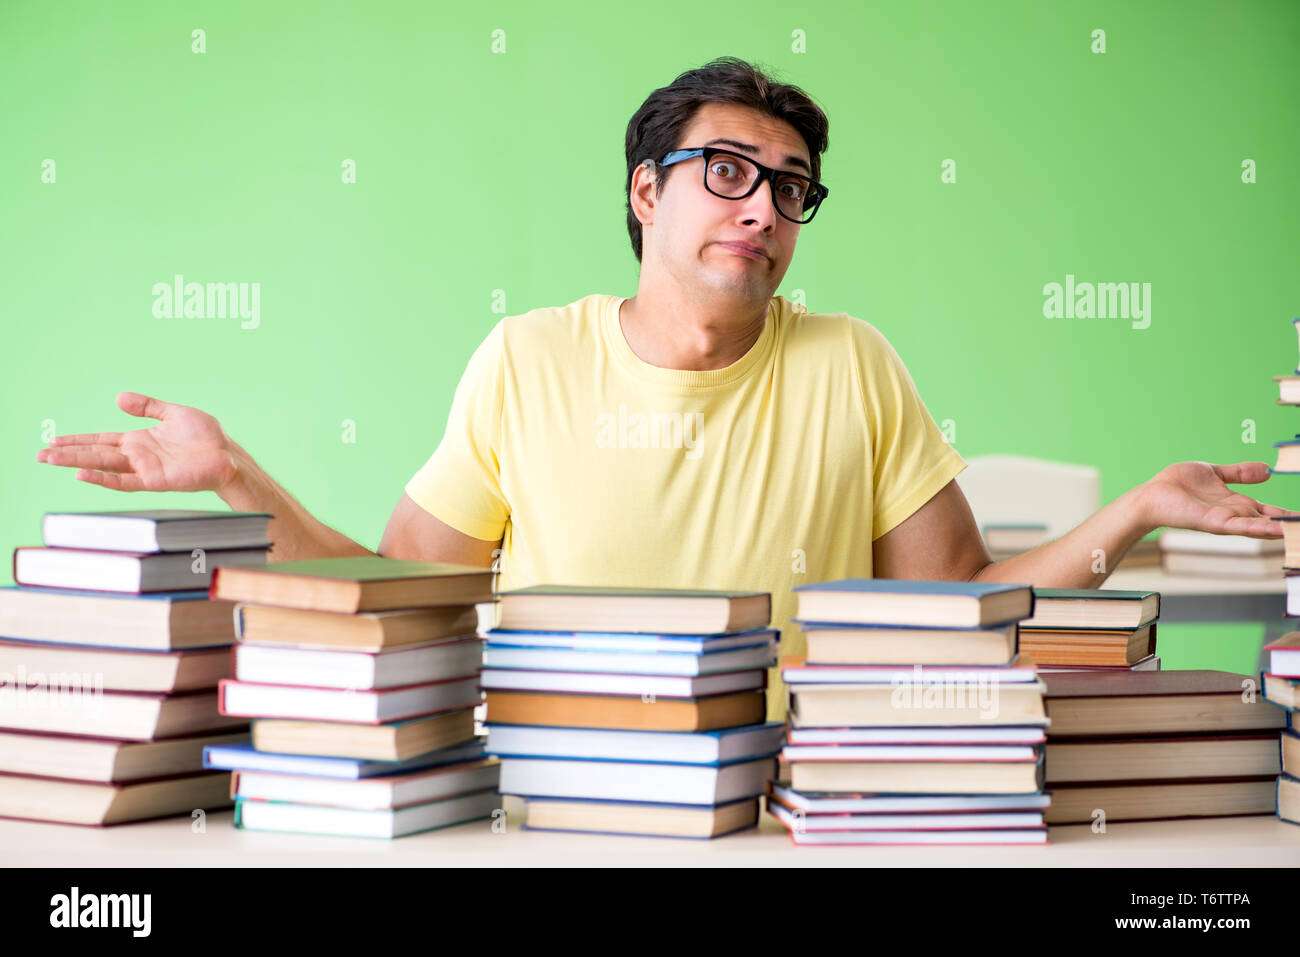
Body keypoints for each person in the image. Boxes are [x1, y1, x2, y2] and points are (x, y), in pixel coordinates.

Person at [35, 57, 1295, 719]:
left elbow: (959, 604)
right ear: (647, 193)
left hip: (790, 793)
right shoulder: (525, 358)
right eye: (728, 171)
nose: (764, 207)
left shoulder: (853, 362)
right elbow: (409, 596)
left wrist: (1131, 512)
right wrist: (237, 481)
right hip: (555, 790)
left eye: (790, 186)